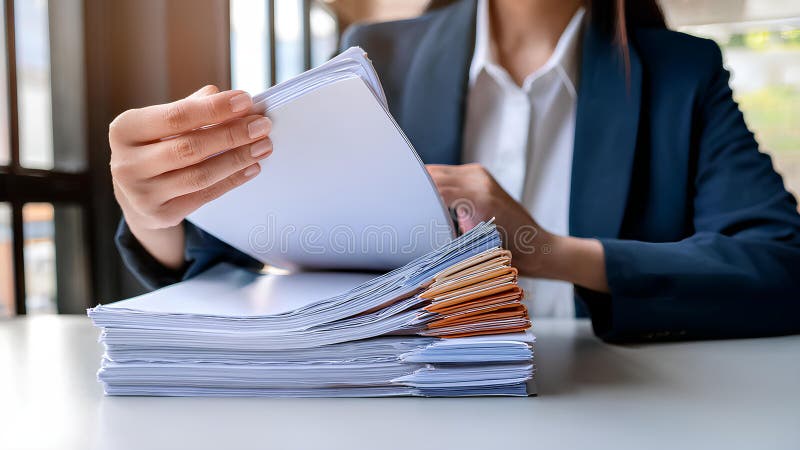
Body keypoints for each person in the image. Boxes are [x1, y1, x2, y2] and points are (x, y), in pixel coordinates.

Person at [109, 0, 800, 342]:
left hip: (628, 413)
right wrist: (153, 209)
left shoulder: (680, 73)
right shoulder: (376, 55)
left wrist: (548, 252)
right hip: (406, 411)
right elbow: (238, 254)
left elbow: (781, 265)